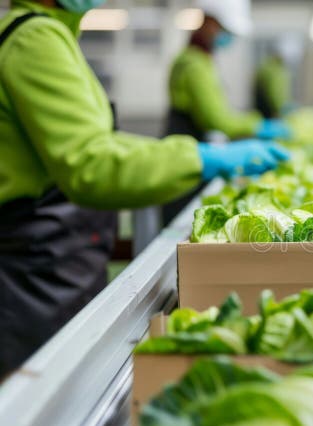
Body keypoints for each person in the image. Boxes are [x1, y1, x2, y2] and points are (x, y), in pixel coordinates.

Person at [0, 0, 289, 377]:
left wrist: (201, 154)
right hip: (33, 266)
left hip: (50, 253)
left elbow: (103, 142)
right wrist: (200, 159)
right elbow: (93, 164)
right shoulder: (36, 38)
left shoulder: (53, 34)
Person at [163, 0, 291, 223]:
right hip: (186, 148)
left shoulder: (198, 59)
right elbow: (216, 117)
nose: (227, 37)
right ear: (211, 23)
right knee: (182, 220)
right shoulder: (194, 64)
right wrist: (258, 125)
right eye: (226, 31)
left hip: (192, 143)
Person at [255, 50, 292, 119]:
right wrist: (277, 108)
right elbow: (275, 92)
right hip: (271, 107)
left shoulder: (264, 67)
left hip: (261, 105)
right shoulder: (277, 71)